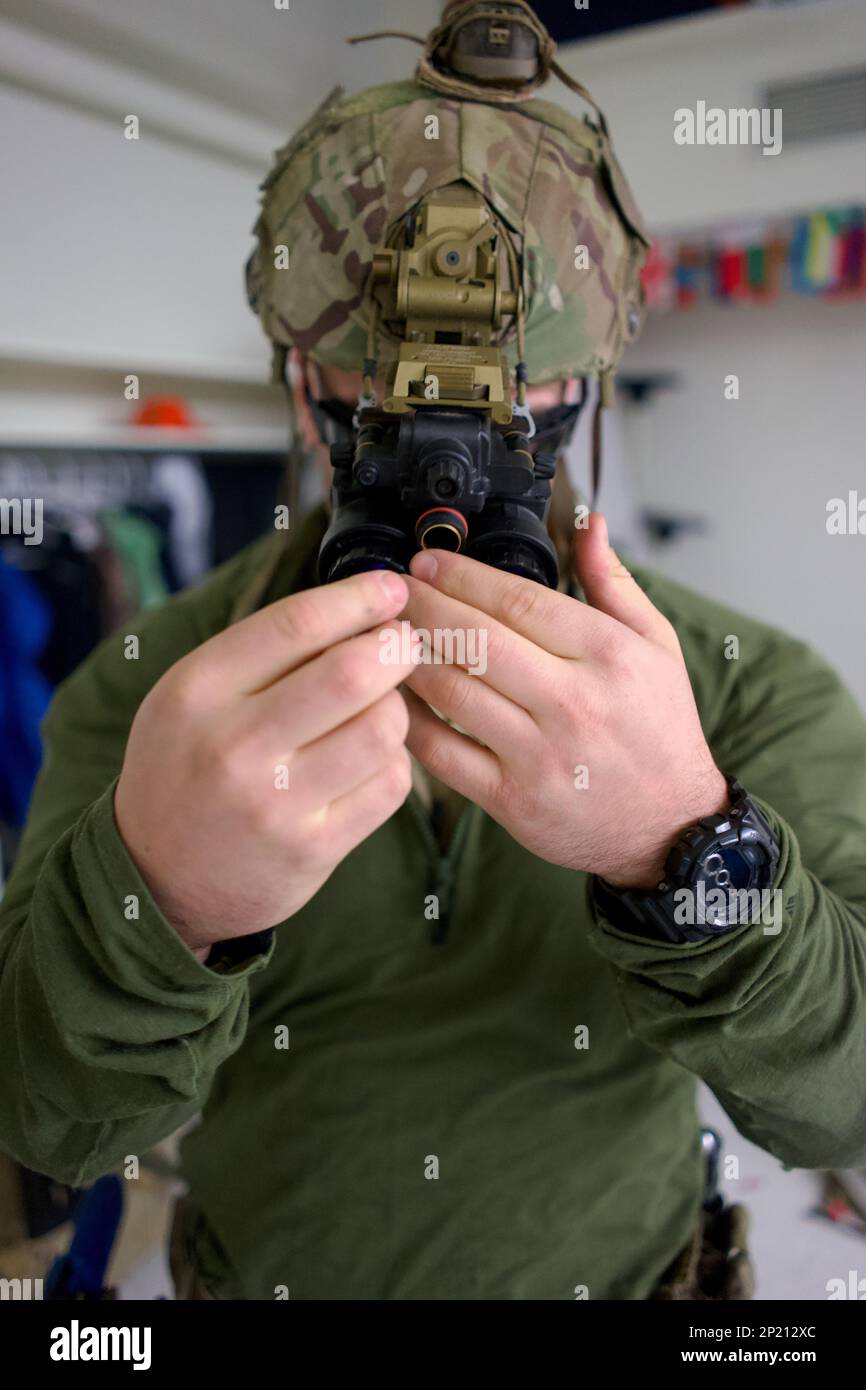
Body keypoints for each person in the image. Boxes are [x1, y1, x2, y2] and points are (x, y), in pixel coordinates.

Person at [1, 1, 865, 1301]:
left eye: (508, 409)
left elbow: (843, 1108)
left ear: (583, 394)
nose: (449, 460)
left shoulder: (741, 682)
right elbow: (41, 1125)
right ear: (301, 382)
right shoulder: (158, 685)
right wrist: (158, 898)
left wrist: (687, 846)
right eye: (387, 407)